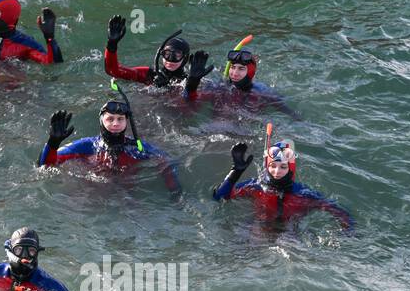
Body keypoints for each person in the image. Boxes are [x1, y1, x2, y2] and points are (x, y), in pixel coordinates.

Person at [38, 98, 182, 197]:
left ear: (127, 122)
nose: (115, 124)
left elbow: (166, 160)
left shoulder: (137, 148)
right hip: (91, 197)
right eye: (110, 119)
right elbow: (44, 166)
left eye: (120, 119)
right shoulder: (87, 146)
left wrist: (175, 192)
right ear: (101, 121)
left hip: (127, 198)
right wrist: (53, 143)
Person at [213, 139, 353, 233]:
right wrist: (236, 171)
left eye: (283, 167)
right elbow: (219, 197)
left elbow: (338, 211)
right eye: (273, 166)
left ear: (291, 168)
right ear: (267, 166)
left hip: (289, 233)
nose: (277, 171)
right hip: (258, 229)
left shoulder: (303, 193)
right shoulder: (255, 187)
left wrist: (347, 231)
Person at [184, 38, 297, 116]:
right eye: (233, 67)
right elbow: (190, 104)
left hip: (246, 135)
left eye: (241, 68)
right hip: (214, 132)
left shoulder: (262, 92)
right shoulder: (219, 88)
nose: (234, 73)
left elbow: (289, 112)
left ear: (251, 72)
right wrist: (192, 85)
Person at [104, 15, 194, 88]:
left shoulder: (189, 81)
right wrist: (112, 44)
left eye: (176, 55)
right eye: (167, 54)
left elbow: (192, 103)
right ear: (161, 53)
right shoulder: (149, 75)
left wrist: (193, 83)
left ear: (185, 59)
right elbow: (113, 71)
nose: (170, 59)